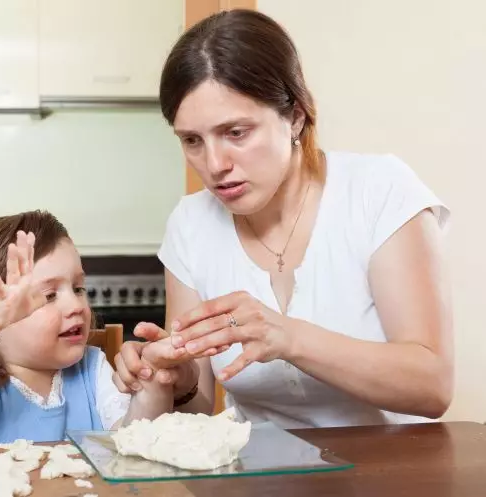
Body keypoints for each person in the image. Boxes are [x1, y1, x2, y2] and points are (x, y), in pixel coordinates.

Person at [112, 9, 454, 429]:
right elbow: (198, 405)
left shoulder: (379, 191)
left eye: (236, 132)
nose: (215, 164)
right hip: (262, 478)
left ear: (295, 115)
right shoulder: (191, 224)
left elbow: (432, 385)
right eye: (192, 140)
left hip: (397, 475)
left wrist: (287, 337)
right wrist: (174, 380)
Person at [0, 210, 172, 445]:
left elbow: (134, 441)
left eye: (78, 288)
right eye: (49, 296)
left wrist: (154, 382)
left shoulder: (92, 369)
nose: (76, 305)